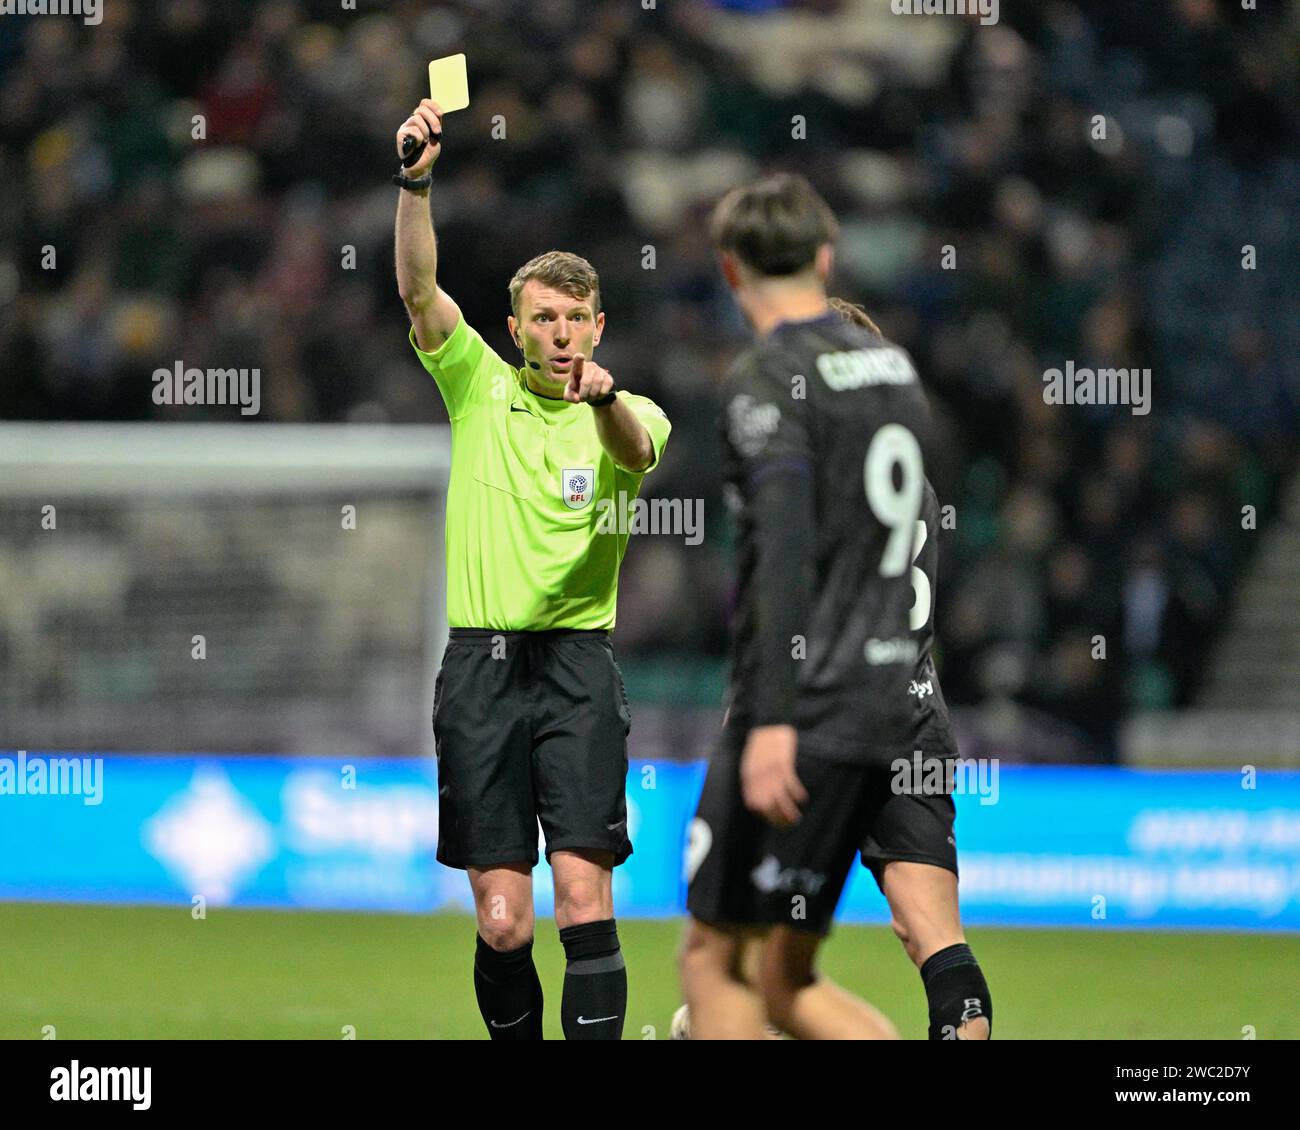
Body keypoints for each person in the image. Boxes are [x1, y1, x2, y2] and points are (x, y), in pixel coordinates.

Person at [677, 174, 990, 1040]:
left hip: (810, 708)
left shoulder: (768, 382)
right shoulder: (895, 377)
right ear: (823, 255)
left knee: (716, 960)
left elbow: (779, 561)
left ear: (731, 271)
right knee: (809, 973)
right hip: (908, 706)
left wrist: (769, 718)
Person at [394, 98, 671, 1040]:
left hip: (577, 669)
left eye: (575, 319)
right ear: (515, 328)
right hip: (481, 668)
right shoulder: (475, 386)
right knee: (505, 921)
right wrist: (416, 183)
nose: (559, 333)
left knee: (585, 899)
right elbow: (420, 291)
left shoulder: (633, 413)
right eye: (542, 318)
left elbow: (634, 451)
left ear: (599, 326)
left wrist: (601, 403)